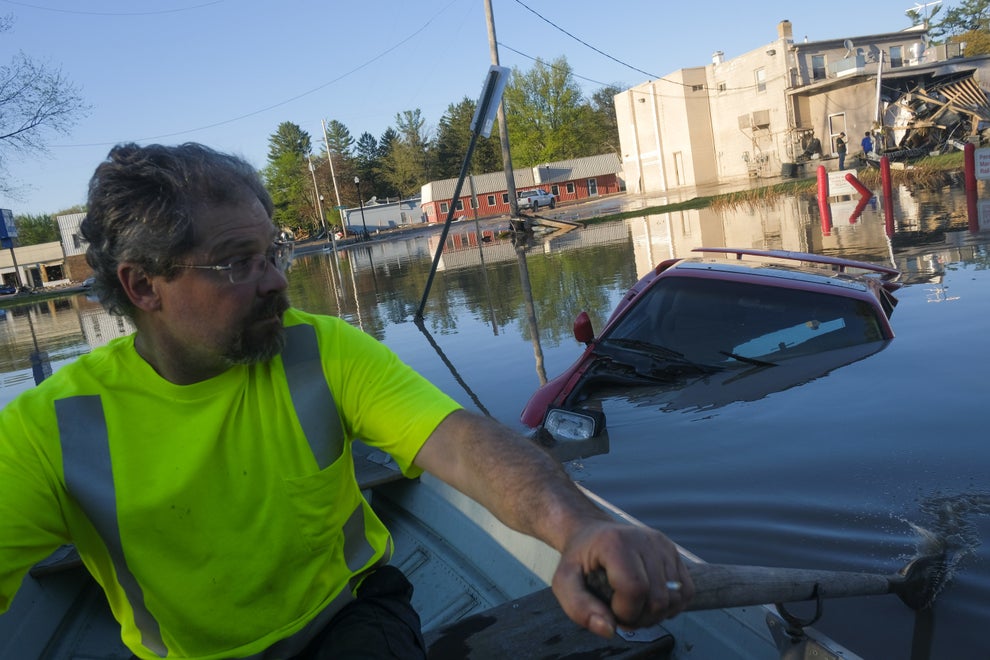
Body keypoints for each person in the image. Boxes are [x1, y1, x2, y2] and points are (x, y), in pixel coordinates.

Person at [0, 143, 694, 659]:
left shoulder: (318, 348)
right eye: (238, 263)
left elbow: (458, 441)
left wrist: (576, 528)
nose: (275, 281)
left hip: (350, 618)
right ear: (143, 286)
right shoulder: (48, 430)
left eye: (274, 253)